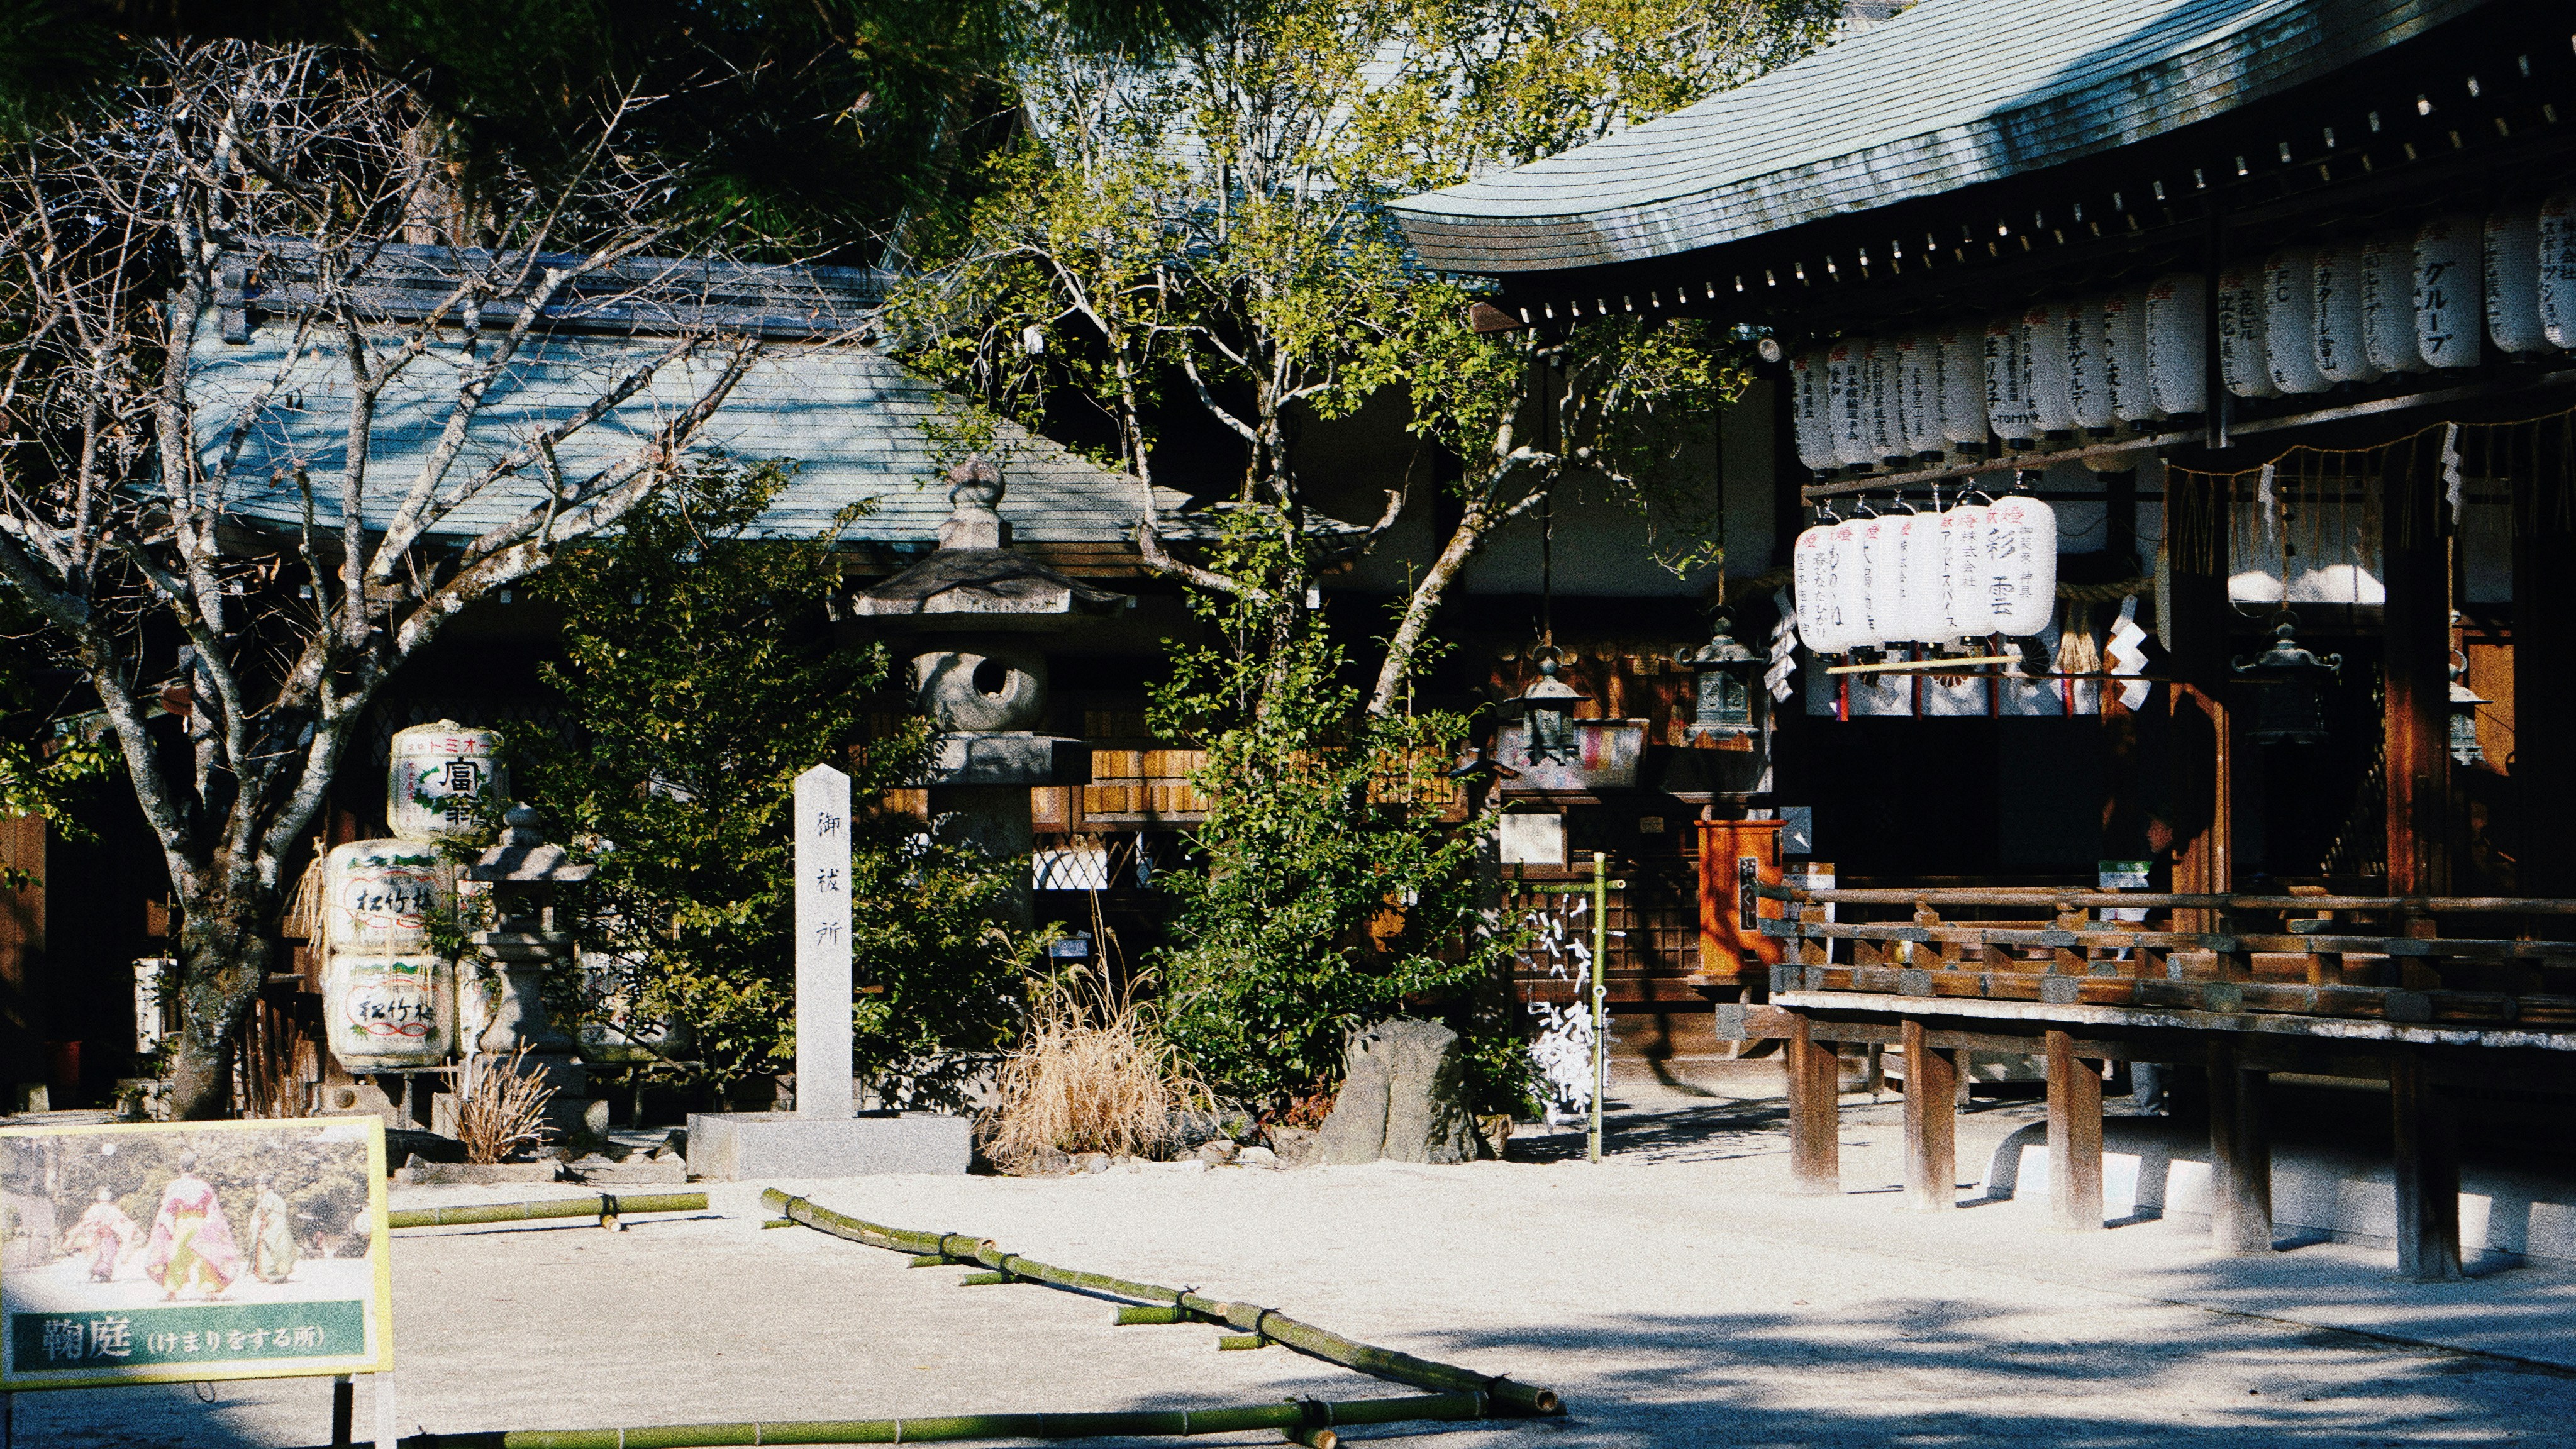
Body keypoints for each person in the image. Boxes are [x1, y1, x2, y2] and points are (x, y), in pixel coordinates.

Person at [139, 1151, 242, 1301]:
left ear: (180, 1167)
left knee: (178, 1255)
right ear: (195, 1167)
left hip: (182, 1222)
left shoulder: (174, 1186)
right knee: (204, 1254)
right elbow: (213, 1209)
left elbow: (167, 1209)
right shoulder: (203, 1186)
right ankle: (209, 1290)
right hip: (201, 1222)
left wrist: (166, 1227)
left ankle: (172, 1290)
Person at [67, 1187, 138, 1283]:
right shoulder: (99, 1208)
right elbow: (87, 1220)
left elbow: (121, 1219)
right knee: (100, 1252)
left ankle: (103, 1272)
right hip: (98, 1234)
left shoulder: (109, 1208)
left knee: (108, 1252)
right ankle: (99, 1271)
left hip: (107, 1234)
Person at [245, 1174, 298, 1284]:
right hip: (267, 1227)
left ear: (265, 1186)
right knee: (265, 1251)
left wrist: (266, 1224)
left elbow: (273, 1213)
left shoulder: (271, 1197)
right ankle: (267, 1274)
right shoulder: (264, 1197)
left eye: (259, 1184)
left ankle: (277, 1275)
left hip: (272, 1227)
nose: (257, 1187)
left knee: (273, 1250)